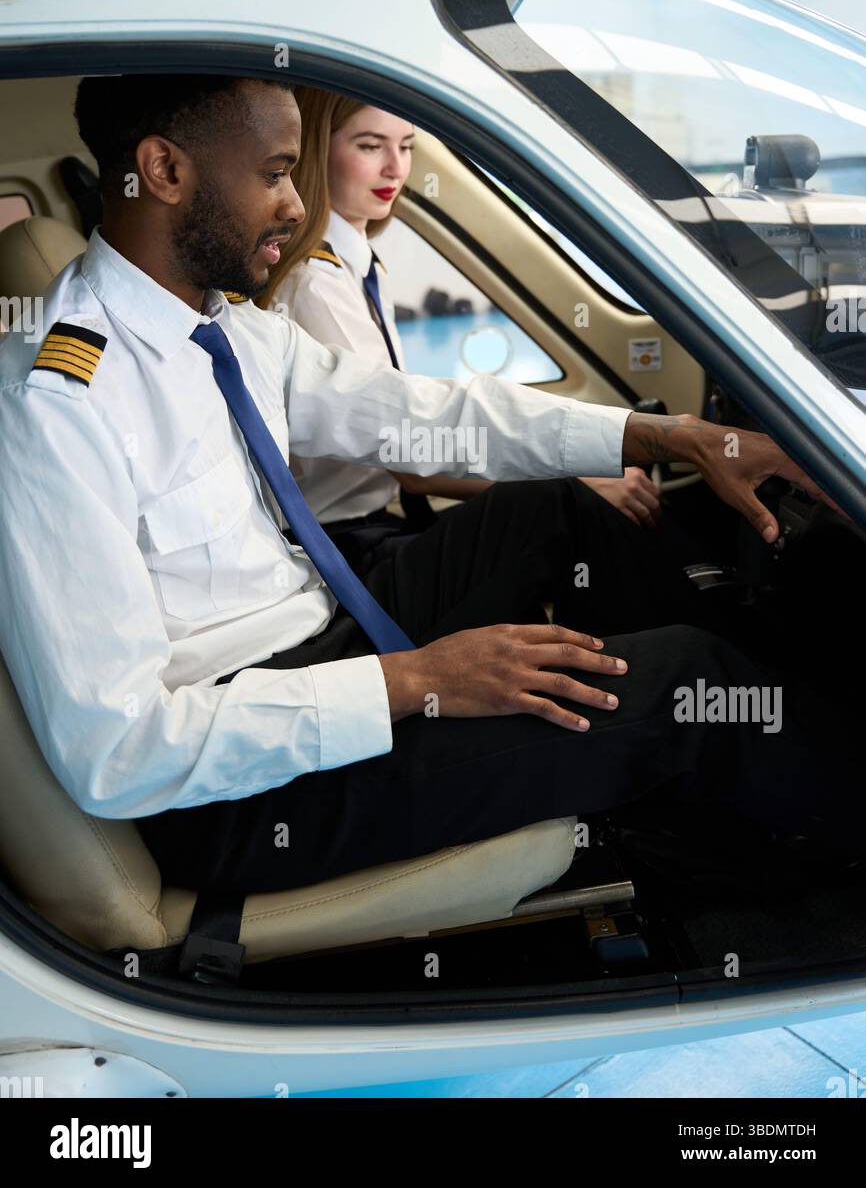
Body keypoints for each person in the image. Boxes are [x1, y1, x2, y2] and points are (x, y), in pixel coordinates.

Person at [0, 73, 858, 905]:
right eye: (272, 176)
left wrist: (669, 436)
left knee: (554, 506)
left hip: (324, 642)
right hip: (239, 784)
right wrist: (414, 681)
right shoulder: (57, 405)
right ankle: (751, 758)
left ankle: (742, 753)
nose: (297, 207)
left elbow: (428, 414)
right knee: (683, 681)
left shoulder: (223, 329)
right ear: (165, 170)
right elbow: (119, 750)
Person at [262, 87, 662, 571]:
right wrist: (578, 479)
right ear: (317, 152)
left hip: (379, 524)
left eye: (406, 145)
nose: (396, 167)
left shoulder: (357, 268)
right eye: (370, 146)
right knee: (562, 510)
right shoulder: (316, 283)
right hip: (346, 546)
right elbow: (412, 458)